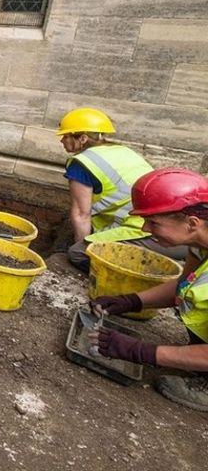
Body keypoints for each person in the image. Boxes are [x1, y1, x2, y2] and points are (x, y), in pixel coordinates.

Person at [90, 167, 208, 411]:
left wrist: (142, 351)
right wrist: (132, 301)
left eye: (153, 222)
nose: (144, 229)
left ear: (192, 223)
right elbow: (184, 284)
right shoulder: (200, 244)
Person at [57, 107, 186, 272]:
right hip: (181, 235)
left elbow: (82, 215)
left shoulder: (82, 164)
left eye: (66, 135)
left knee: (78, 253)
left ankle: (149, 276)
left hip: (149, 233)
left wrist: (83, 244)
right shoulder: (123, 151)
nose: (61, 140)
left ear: (82, 138)